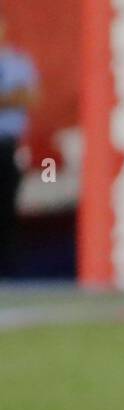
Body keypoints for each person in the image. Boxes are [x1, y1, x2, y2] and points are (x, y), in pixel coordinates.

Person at [0, 11, 36, 277]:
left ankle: (7, 274)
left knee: (6, 208)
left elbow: (30, 98)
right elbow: (18, 96)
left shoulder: (18, 62)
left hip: (6, 145)